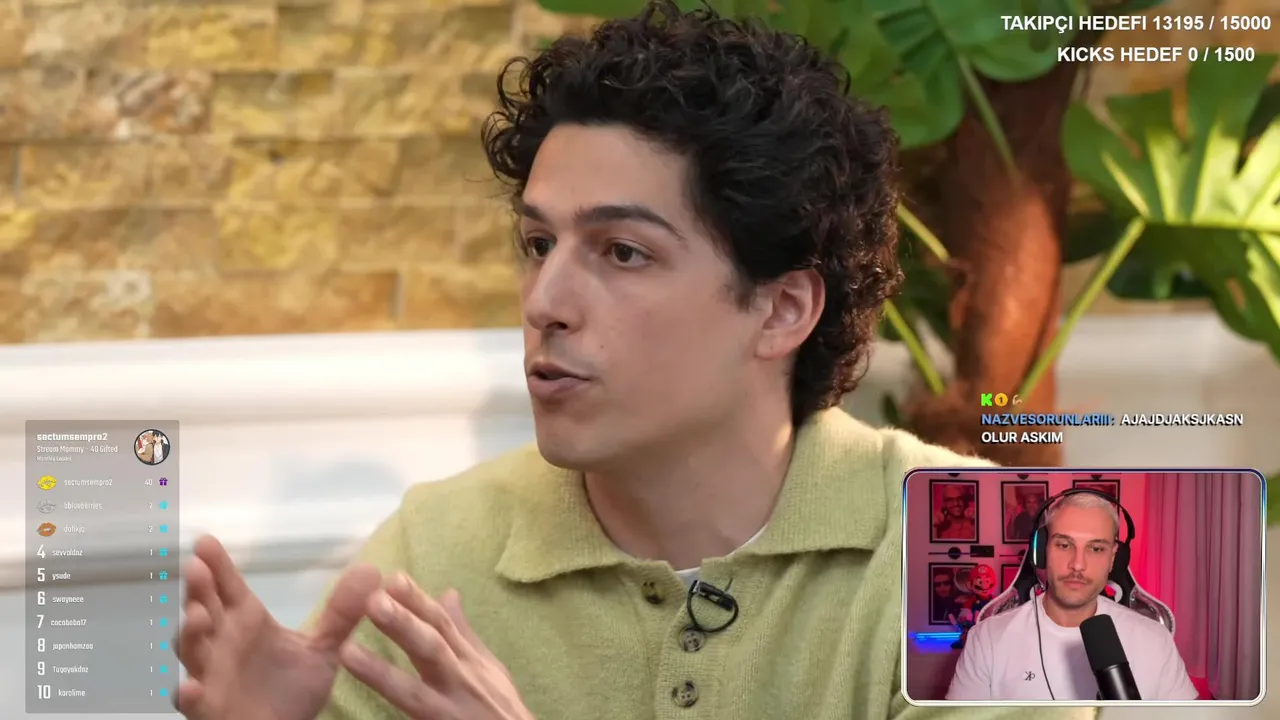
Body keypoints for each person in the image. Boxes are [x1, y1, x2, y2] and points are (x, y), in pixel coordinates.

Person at [173, 3, 1095, 719]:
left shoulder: (990, 556)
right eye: (539, 244)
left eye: (622, 252)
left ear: (782, 309)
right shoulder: (437, 552)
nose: (545, 301)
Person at [946, 492, 1198, 700]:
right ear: (1042, 551)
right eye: (1064, 545)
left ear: (1113, 559)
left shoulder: (1155, 639)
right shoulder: (987, 640)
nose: (1078, 564)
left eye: (1096, 548)